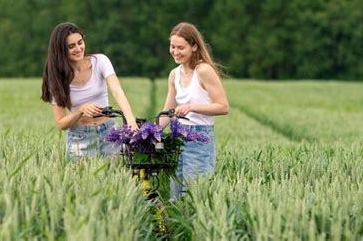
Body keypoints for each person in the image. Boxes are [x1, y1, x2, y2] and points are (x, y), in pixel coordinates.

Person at [41, 22, 137, 158]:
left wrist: (131, 122)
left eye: (80, 43)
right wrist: (80, 110)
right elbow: (61, 123)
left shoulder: (100, 61)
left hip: (109, 131)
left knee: (116, 175)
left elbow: (117, 90)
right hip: (79, 137)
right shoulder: (56, 79)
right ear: (61, 50)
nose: (78, 48)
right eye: (71, 46)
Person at [160, 22, 229, 199]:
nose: (175, 51)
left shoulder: (204, 70)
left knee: (194, 197)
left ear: (194, 46)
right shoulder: (174, 74)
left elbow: (223, 106)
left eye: (181, 47)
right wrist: (150, 132)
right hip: (177, 139)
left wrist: (191, 108)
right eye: (172, 46)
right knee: (176, 197)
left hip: (199, 139)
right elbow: (168, 110)